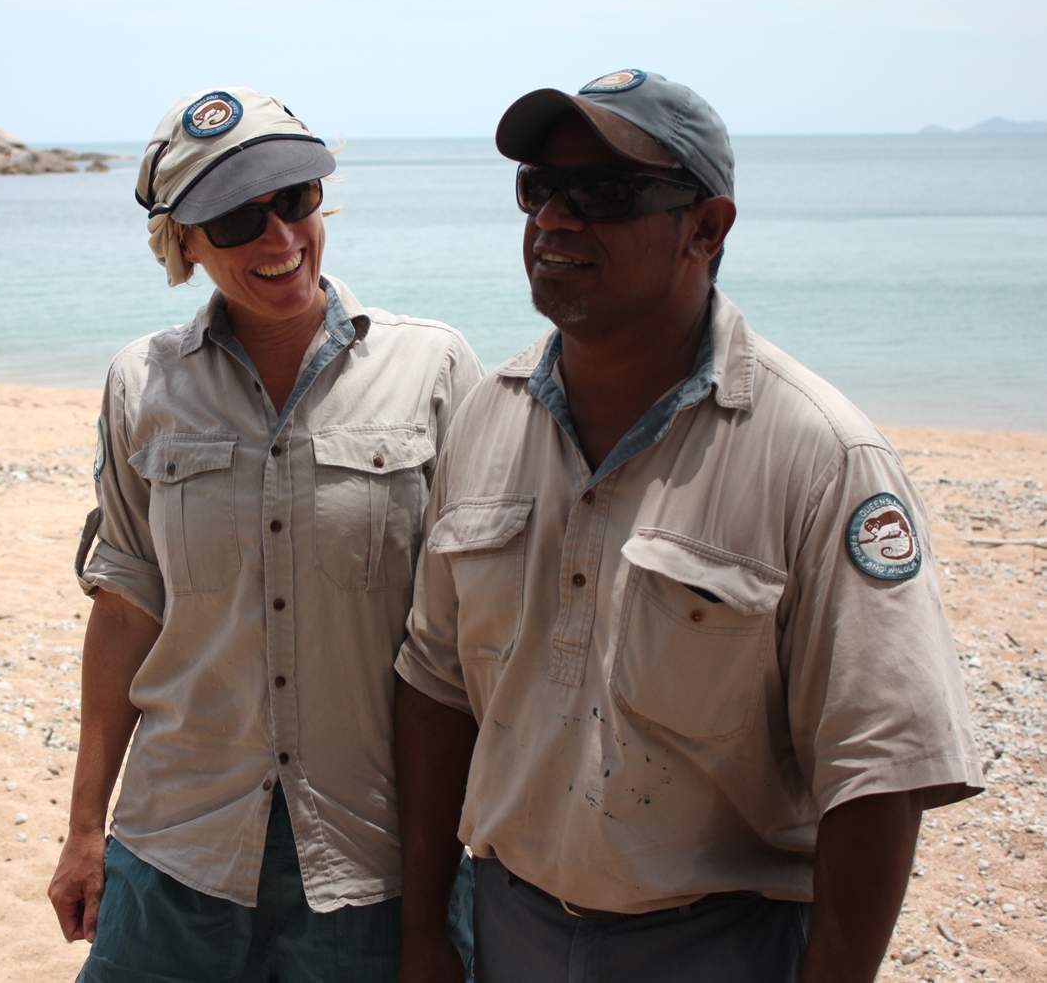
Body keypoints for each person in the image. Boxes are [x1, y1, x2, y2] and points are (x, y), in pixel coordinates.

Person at [392, 69, 984, 983]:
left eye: (603, 193)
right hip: (509, 927)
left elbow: (877, 769)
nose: (554, 220)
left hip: (720, 945)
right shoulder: (485, 418)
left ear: (705, 229)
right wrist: (425, 929)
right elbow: (437, 683)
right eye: (538, 188)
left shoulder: (818, 455)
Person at [48, 86, 483, 982]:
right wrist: (85, 828)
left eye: (294, 199)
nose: (280, 237)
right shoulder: (141, 383)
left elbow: (475, 628)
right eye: (236, 219)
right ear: (184, 240)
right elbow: (126, 609)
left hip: (373, 859)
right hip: (175, 846)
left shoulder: (433, 368)